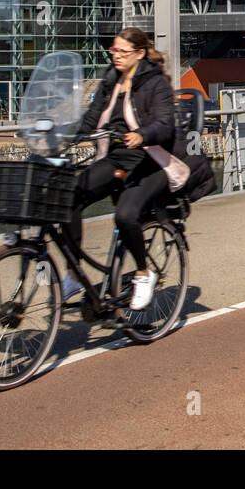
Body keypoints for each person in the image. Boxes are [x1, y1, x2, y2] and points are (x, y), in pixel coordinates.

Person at [64, 27, 192, 311]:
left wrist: (143, 135)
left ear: (140, 53)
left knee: (125, 214)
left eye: (123, 52)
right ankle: (73, 274)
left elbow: (164, 124)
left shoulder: (155, 83)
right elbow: (90, 119)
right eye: (114, 51)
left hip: (151, 159)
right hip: (117, 157)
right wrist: (63, 136)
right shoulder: (110, 82)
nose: (117, 56)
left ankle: (143, 273)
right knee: (69, 197)